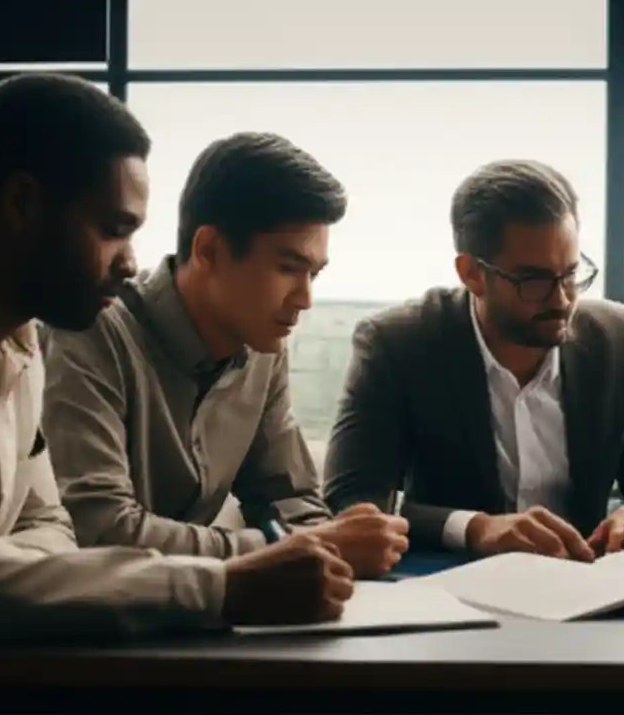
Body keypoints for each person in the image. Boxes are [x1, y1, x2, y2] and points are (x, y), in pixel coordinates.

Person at [0, 73, 352, 645]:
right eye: (112, 230)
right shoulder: (49, 333)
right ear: (21, 204)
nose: (129, 264)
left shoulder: (17, 339)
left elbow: (47, 526)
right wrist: (225, 585)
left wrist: (8, 579)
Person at [42, 132, 408, 580]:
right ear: (209, 250)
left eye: (314, 273)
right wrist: (290, 546)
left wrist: (334, 546)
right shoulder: (91, 333)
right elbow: (98, 531)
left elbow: (288, 499)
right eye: (288, 268)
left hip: (195, 611)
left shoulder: (263, 346)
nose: (305, 299)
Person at [324, 159, 624, 559]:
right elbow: (353, 499)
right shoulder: (398, 343)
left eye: (570, 274)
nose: (561, 300)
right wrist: (473, 528)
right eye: (533, 280)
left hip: (588, 587)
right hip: (451, 587)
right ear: (471, 274)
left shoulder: (619, 338)